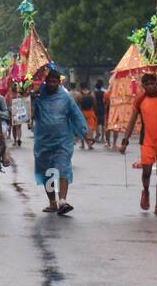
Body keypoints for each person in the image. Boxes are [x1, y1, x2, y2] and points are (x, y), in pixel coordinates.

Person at [30, 65, 86, 214]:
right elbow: (28, 114)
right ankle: (52, 202)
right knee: (47, 173)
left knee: (63, 169)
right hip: (43, 142)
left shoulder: (66, 98)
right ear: (45, 82)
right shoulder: (38, 97)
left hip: (63, 142)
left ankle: (63, 201)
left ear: (59, 83)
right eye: (50, 82)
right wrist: (30, 98)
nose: (52, 84)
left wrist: (84, 132)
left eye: (55, 82)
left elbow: (76, 115)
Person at [119, 72, 157, 216]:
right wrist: (125, 142)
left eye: (152, 83)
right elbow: (131, 122)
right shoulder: (140, 100)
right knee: (146, 172)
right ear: (143, 86)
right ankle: (146, 192)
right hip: (147, 142)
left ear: (156, 84)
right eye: (147, 84)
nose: (150, 86)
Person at [77, 83, 98, 151]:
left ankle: (83, 144)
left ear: (81, 87)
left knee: (82, 128)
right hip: (90, 112)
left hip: (83, 113)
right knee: (91, 128)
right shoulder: (92, 94)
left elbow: (78, 105)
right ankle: (90, 144)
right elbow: (95, 104)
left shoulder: (79, 95)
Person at [93, 79, 108, 146]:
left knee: (97, 123)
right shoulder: (104, 92)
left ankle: (97, 136)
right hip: (102, 108)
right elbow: (105, 101)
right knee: (103, 124)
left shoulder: (94, 92)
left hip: (96, 109)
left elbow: (94, 101)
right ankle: (102, 137)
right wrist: (105, 106)